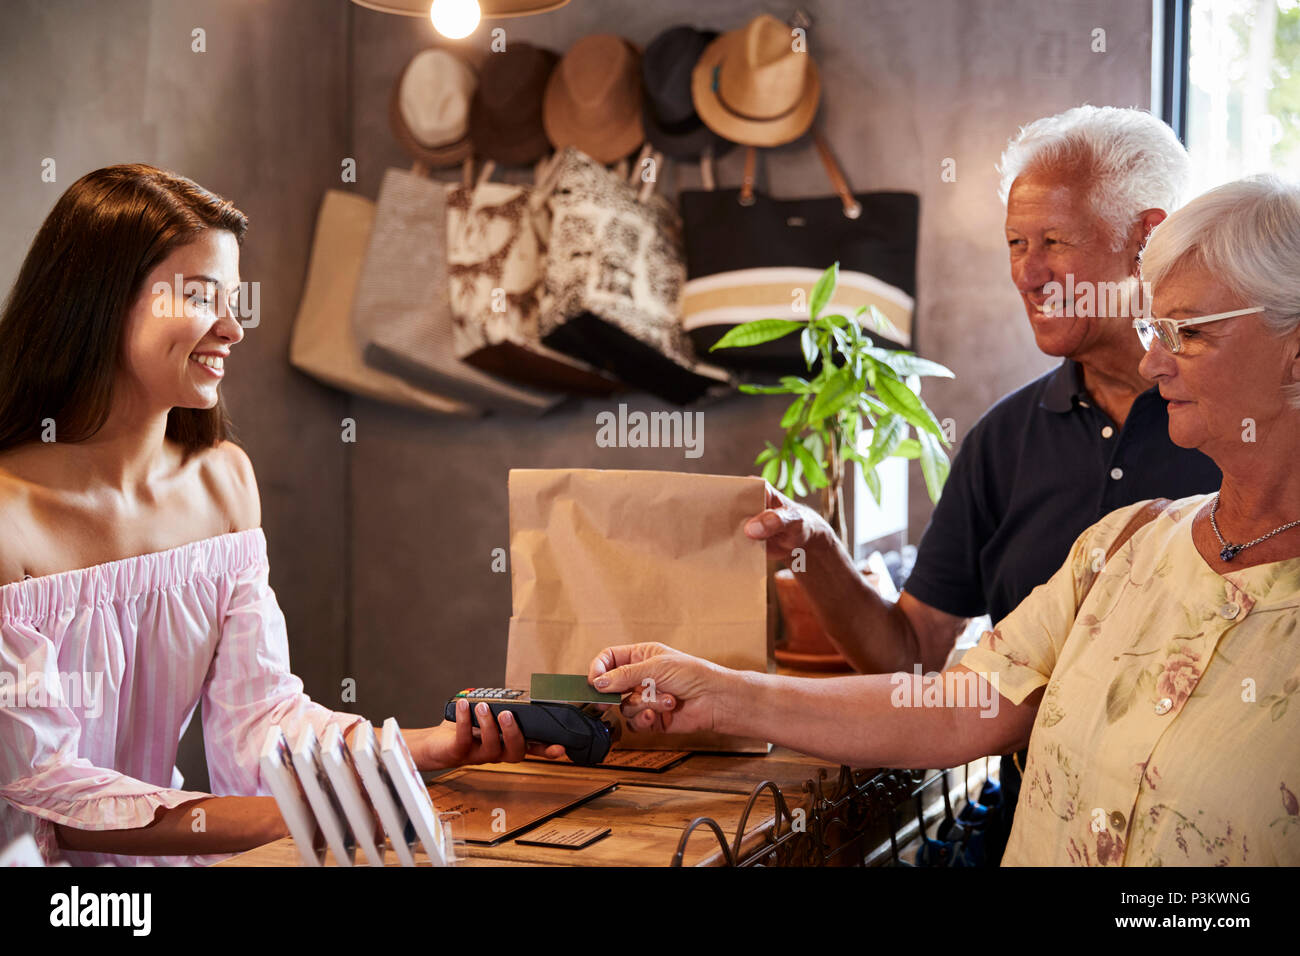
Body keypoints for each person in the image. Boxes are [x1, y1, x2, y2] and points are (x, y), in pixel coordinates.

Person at [589, 174, 1300, 866]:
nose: (1155, 360)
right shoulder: (1126, 543)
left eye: (1188, 333)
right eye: (1155, 327)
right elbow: (951, 706)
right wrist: (721, 693)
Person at [0, 164, 564, 867]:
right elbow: (52, 797)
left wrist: (428, 748)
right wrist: (306, 817)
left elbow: (260, 718)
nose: (234, 329)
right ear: (101, 301)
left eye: (235, 301)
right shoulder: (9, 522)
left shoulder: (224, 483)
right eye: (204, 297)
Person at [738, 106, 1221, 863]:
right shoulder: (1002, 440)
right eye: (1016, 244)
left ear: (1148, 238)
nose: (1028, 273)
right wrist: (819, 552)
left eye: (1054, 242)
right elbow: (912, 664)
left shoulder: (1237, 426)